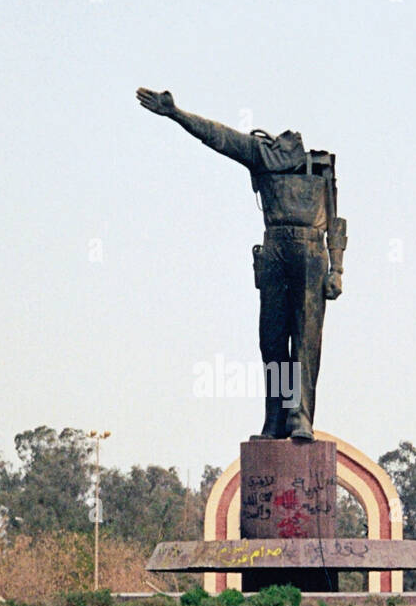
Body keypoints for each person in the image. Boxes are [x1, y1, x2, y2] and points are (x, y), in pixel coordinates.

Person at [136, 88, 346, 441]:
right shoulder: (259, 154)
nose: (288, 142)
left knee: (306, 341)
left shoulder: (321, 167)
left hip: (311, 252)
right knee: (273, 340)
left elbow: (336, 220)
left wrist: (337, 268)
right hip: (276, 249)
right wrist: (176, 114)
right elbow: (217, 136)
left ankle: (300, 416)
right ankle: (276, 417)